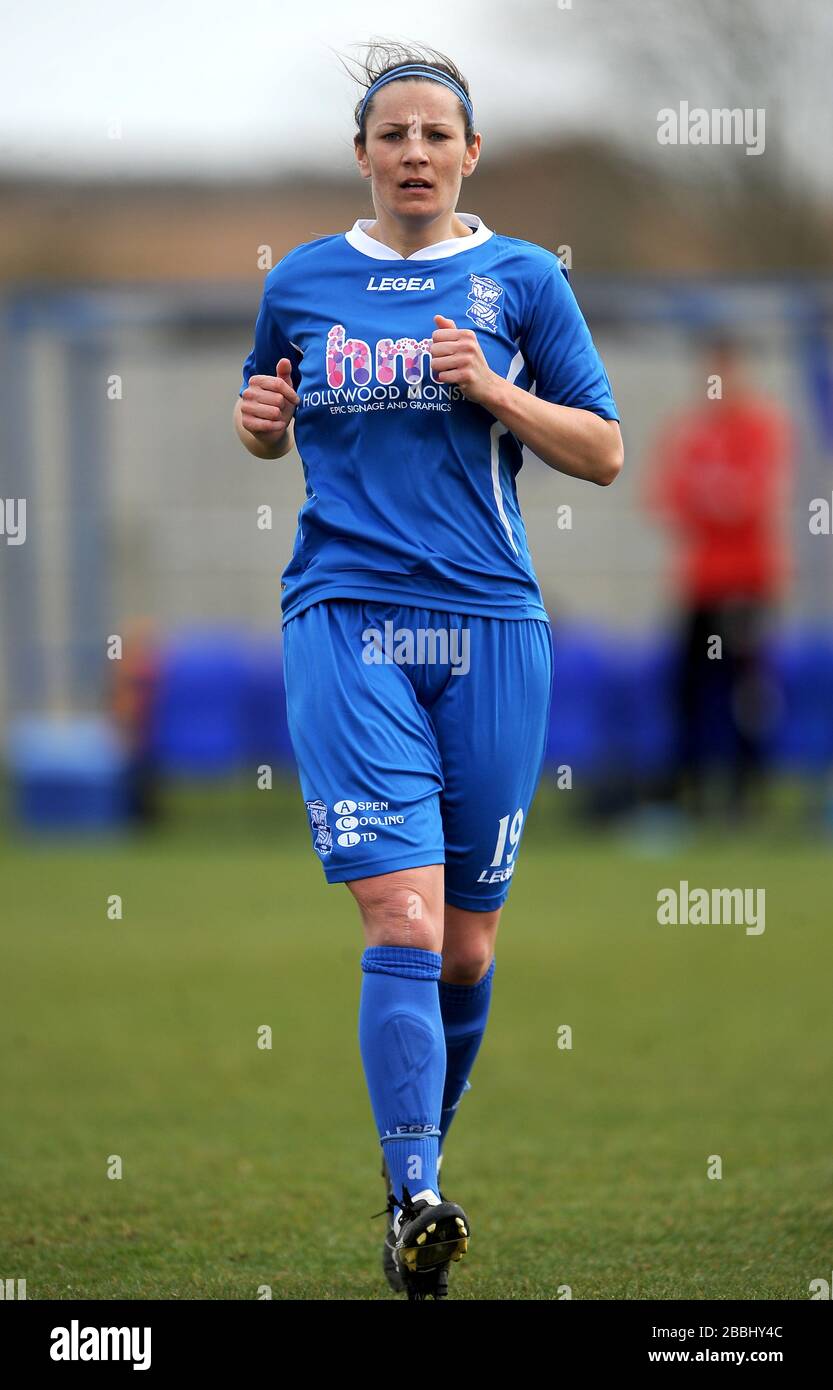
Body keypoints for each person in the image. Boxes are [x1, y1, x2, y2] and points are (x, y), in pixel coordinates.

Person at [234, 40, 622, 1300]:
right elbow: (266, 413)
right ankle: (415, 1194)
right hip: (345, 621)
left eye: (432, 135)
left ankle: (415, 1169)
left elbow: (605, 451)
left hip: (490, 629)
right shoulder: (299, 282)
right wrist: (259, 429)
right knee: (398, 916)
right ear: (360, 153)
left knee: (463, 947)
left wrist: (497, 390)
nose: (411, 153)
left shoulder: (521, 281)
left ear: (468, 153)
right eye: (388, 134)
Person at [644, 332, 792, 818]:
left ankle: (747, 797)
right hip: (701, 584)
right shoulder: (691, 431)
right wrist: (715, 497)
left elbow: (748, 501)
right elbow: (665, 499)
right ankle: (688, 798)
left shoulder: (760, 428)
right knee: (688, 689)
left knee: (745, 690)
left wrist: (712, 496)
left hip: (747, 584)